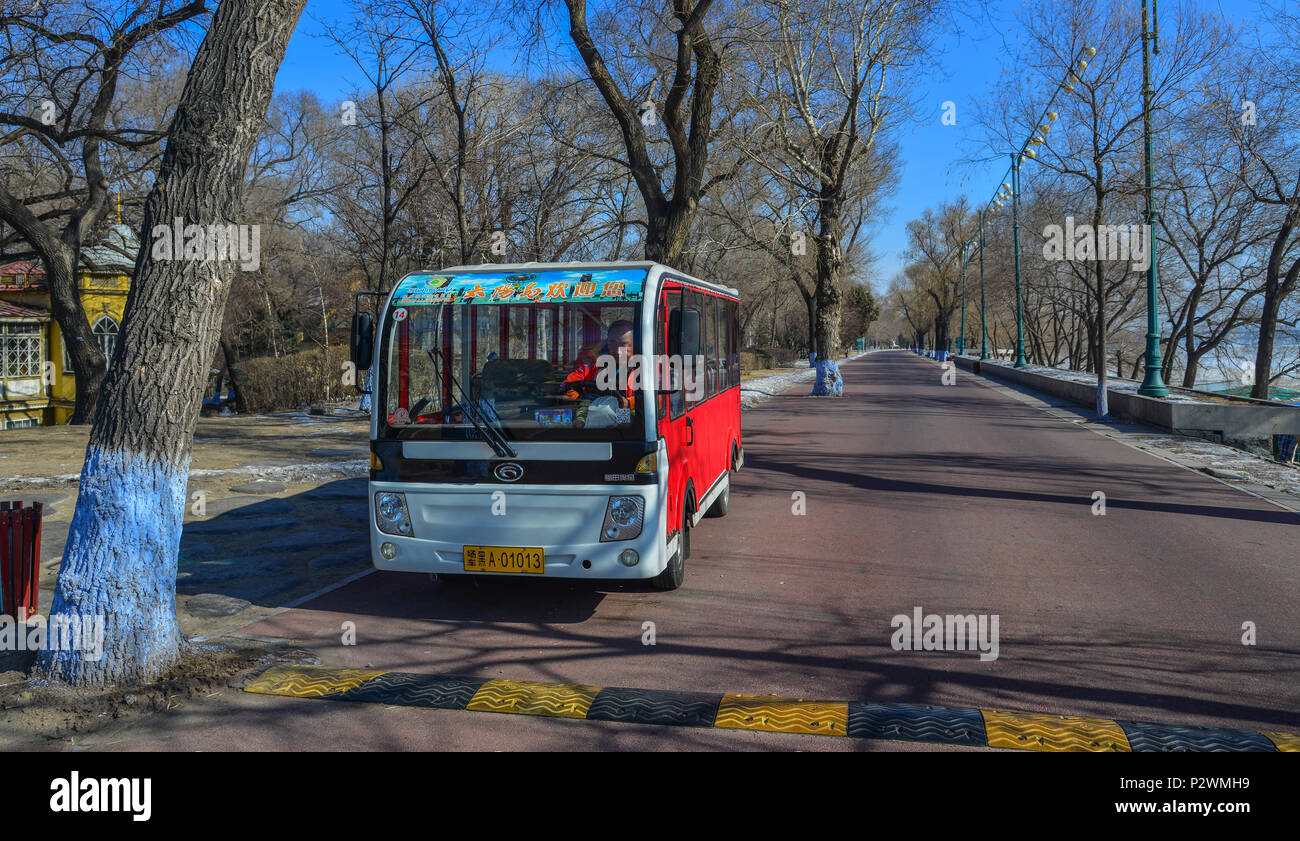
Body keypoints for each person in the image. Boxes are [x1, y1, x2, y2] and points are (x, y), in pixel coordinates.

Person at [563, 319, 635, 409]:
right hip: (591, 411)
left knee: (623, 418)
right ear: (607, 342)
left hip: (624, 412)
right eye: (612, 343)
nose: (617, 351)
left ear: (635, 344)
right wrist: (577, 397)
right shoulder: (591, 362)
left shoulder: (644, 367)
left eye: (624, 344)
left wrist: (629, 403)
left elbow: (650, 399)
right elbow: (569, 384)